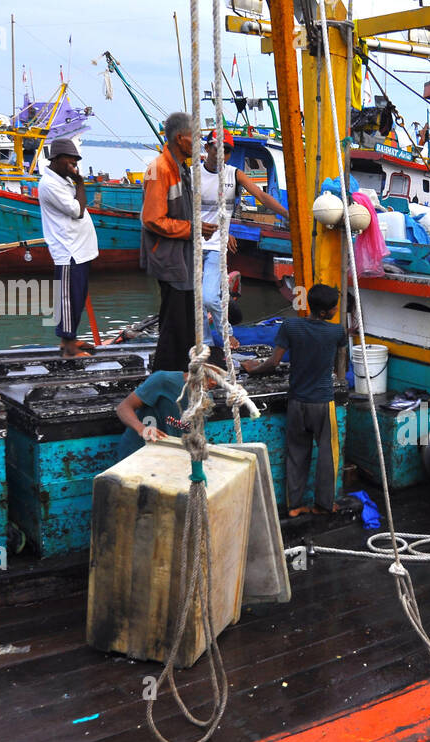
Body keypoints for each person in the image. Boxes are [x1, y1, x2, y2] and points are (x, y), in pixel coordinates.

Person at [243, 284, 348, 517]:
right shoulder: (337, 331)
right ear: (324, 313)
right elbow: (342, 360)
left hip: (297, 402)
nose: (336, 310)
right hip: (322, 403)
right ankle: (324, 504)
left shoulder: (291, 325)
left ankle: (295, 506)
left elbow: (273, 362)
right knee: (327, 456)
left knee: (296, 453)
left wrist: (252, 370)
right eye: (334, 307)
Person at [142, 112, 221, 372]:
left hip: (183, 257)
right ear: (180, 138)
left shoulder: (182, 168)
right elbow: (153, 219)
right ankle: (165, 376)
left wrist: (196, 229)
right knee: (174, 324)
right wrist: (192, 228)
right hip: (169, 258)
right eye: (195, 137)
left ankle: (183, 372)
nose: (199, 143)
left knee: (186, 322)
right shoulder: (160, 169)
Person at [199, 131, 290, 351]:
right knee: (196, 301)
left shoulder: (234, 174)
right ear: (207, 148)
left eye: (227, 150)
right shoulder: (193, 174)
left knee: (210, 297)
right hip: (190, 244)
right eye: (216, 147)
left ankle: (226, 333)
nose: (221, 153)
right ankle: (204, 342)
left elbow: (262, 196)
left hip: (215, 247)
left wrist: (289, 215)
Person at [38, 138, 99, 357]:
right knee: (68, 299)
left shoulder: (63, 181)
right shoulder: (50, 184)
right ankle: (69, 348)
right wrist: (80, 183)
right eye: (70, 159)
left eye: (76, 159)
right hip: (68, 251)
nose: (74, 163)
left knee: (77, 297)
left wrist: (75, 182)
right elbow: (77, 210)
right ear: (56, 159)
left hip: (80, 249)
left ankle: (69, 340)